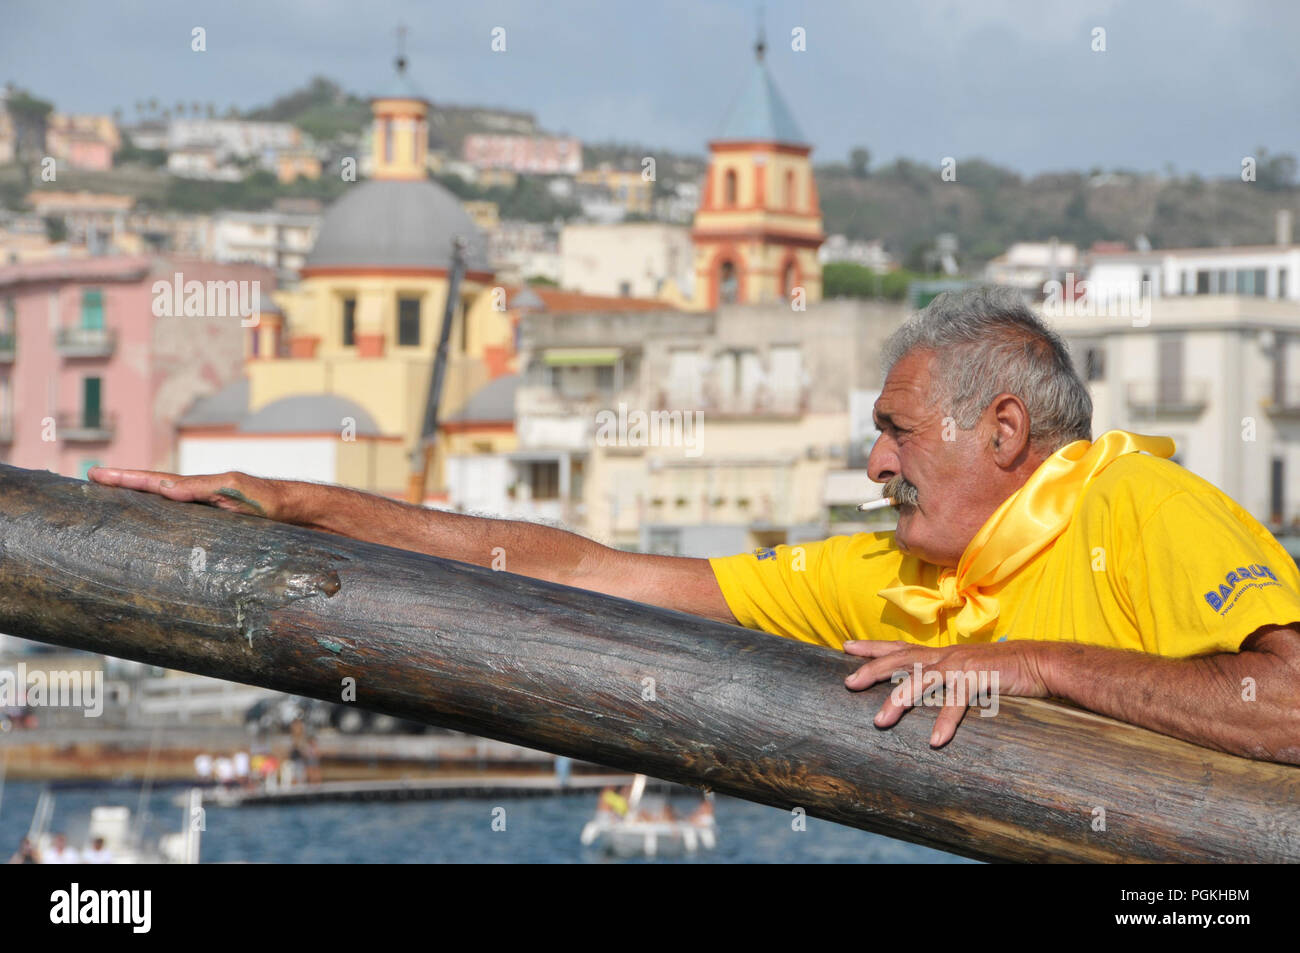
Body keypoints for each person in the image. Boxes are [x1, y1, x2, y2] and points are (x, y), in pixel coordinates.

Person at [87, 287, 1300, 764]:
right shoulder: (885, 577)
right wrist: (300, 504)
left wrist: (1022, 664)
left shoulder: (1136, 500)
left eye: (895, 431)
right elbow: (587, 572)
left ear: (998, 435)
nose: (871, 460)